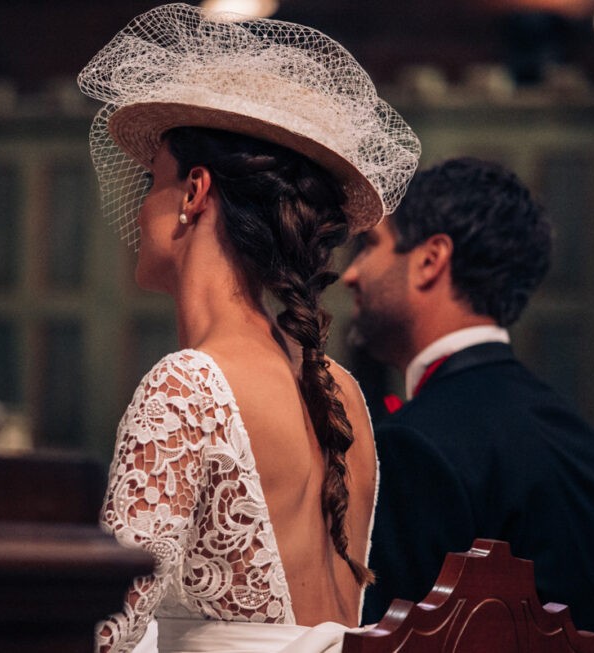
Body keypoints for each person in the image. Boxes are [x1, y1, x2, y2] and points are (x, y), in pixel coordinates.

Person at [77, 4, 421, 652]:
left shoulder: (187, 386)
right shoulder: (343, 394)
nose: (140, 201)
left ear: (193, 192)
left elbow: (105, 632)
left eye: (153, 179)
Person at [342, 157, 594, 652]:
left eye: (372, 244)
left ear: (430, 259)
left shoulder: (415, 443)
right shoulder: (583, 439)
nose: (351, 274)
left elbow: (388, 642)